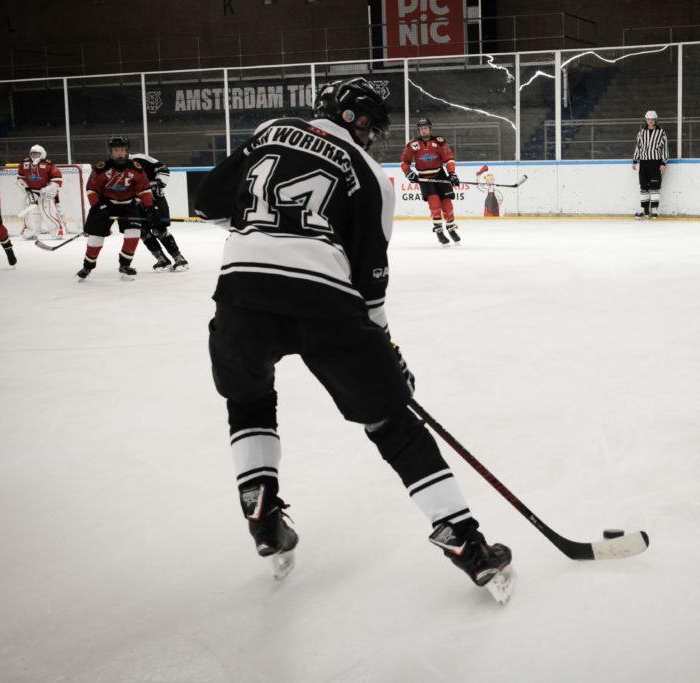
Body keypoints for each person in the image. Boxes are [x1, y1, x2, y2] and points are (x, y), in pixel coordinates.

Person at [194, 77, 513, 601]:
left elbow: (207, 202)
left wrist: (264, 232)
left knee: (248, 402)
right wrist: (388, 354)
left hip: (241, 294)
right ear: (361, 124)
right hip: (326, 303)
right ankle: (465, 542)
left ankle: (261, 508)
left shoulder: (271, 130)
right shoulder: (370, 175)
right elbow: (370, 285)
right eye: (370, 127)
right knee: (392, 423)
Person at [77, 136, 161, 282]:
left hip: (128, 205)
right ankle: (87, 267)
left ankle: (125, 265)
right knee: (96, 237)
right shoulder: (101, 168)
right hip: (105, 204)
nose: (120, 153)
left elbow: (144, 189)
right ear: (111, 152)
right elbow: (91, 189)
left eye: (122, 150)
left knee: (134, 232)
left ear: (127, 151)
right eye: (116, 150)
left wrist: (149, 208)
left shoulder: (136, 167)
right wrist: (98, 206)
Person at [400, 117, 462, 246]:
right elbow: (404, 161)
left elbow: (448, 159)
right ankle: (439, 231)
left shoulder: (439, 142)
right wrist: (408, 172)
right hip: (424, 177)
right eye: (421, 128)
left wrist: (452, 174)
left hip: (440, 174)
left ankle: (451, 228)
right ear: (419, 130)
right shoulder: (413, 144)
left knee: (447, 204)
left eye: (426, 128)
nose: (424, 130)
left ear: (430, 128)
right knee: (434, 203)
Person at [129, 151, 189, 272]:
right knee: (143, 232)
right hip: (135, 204)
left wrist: (158, 181)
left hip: (155, 200)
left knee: (160, 230)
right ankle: (161, 259)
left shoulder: (139, 159)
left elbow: (162, 169)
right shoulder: (112, 168)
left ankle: (179, 258)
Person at [16, 144, 66, 240]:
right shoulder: (24, 164)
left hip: (45, 193)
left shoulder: (48, 164)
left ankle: (57, 231)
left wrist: (48, 189)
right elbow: (20, 178)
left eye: (37, 154)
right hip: (31, 192)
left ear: (42, 154)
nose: (34, 156)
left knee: (48, 212)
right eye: (32, 154)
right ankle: (30, 231)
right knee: (29, 212)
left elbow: (57, 180)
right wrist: (26, 189)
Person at [631, 110, 669, 219]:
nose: (650, 121)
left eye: (652, 119)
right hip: (644, 163)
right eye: (648, 119)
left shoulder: (661, 132)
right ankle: (644, 210)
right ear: (646, 120)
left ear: (655, 120)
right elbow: (638, 147)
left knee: (655, 186)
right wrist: (635, 160)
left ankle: (654, 210)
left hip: (655, 162)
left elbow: (665, 148)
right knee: (644, 186)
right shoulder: (641, 132)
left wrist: (663, 162)